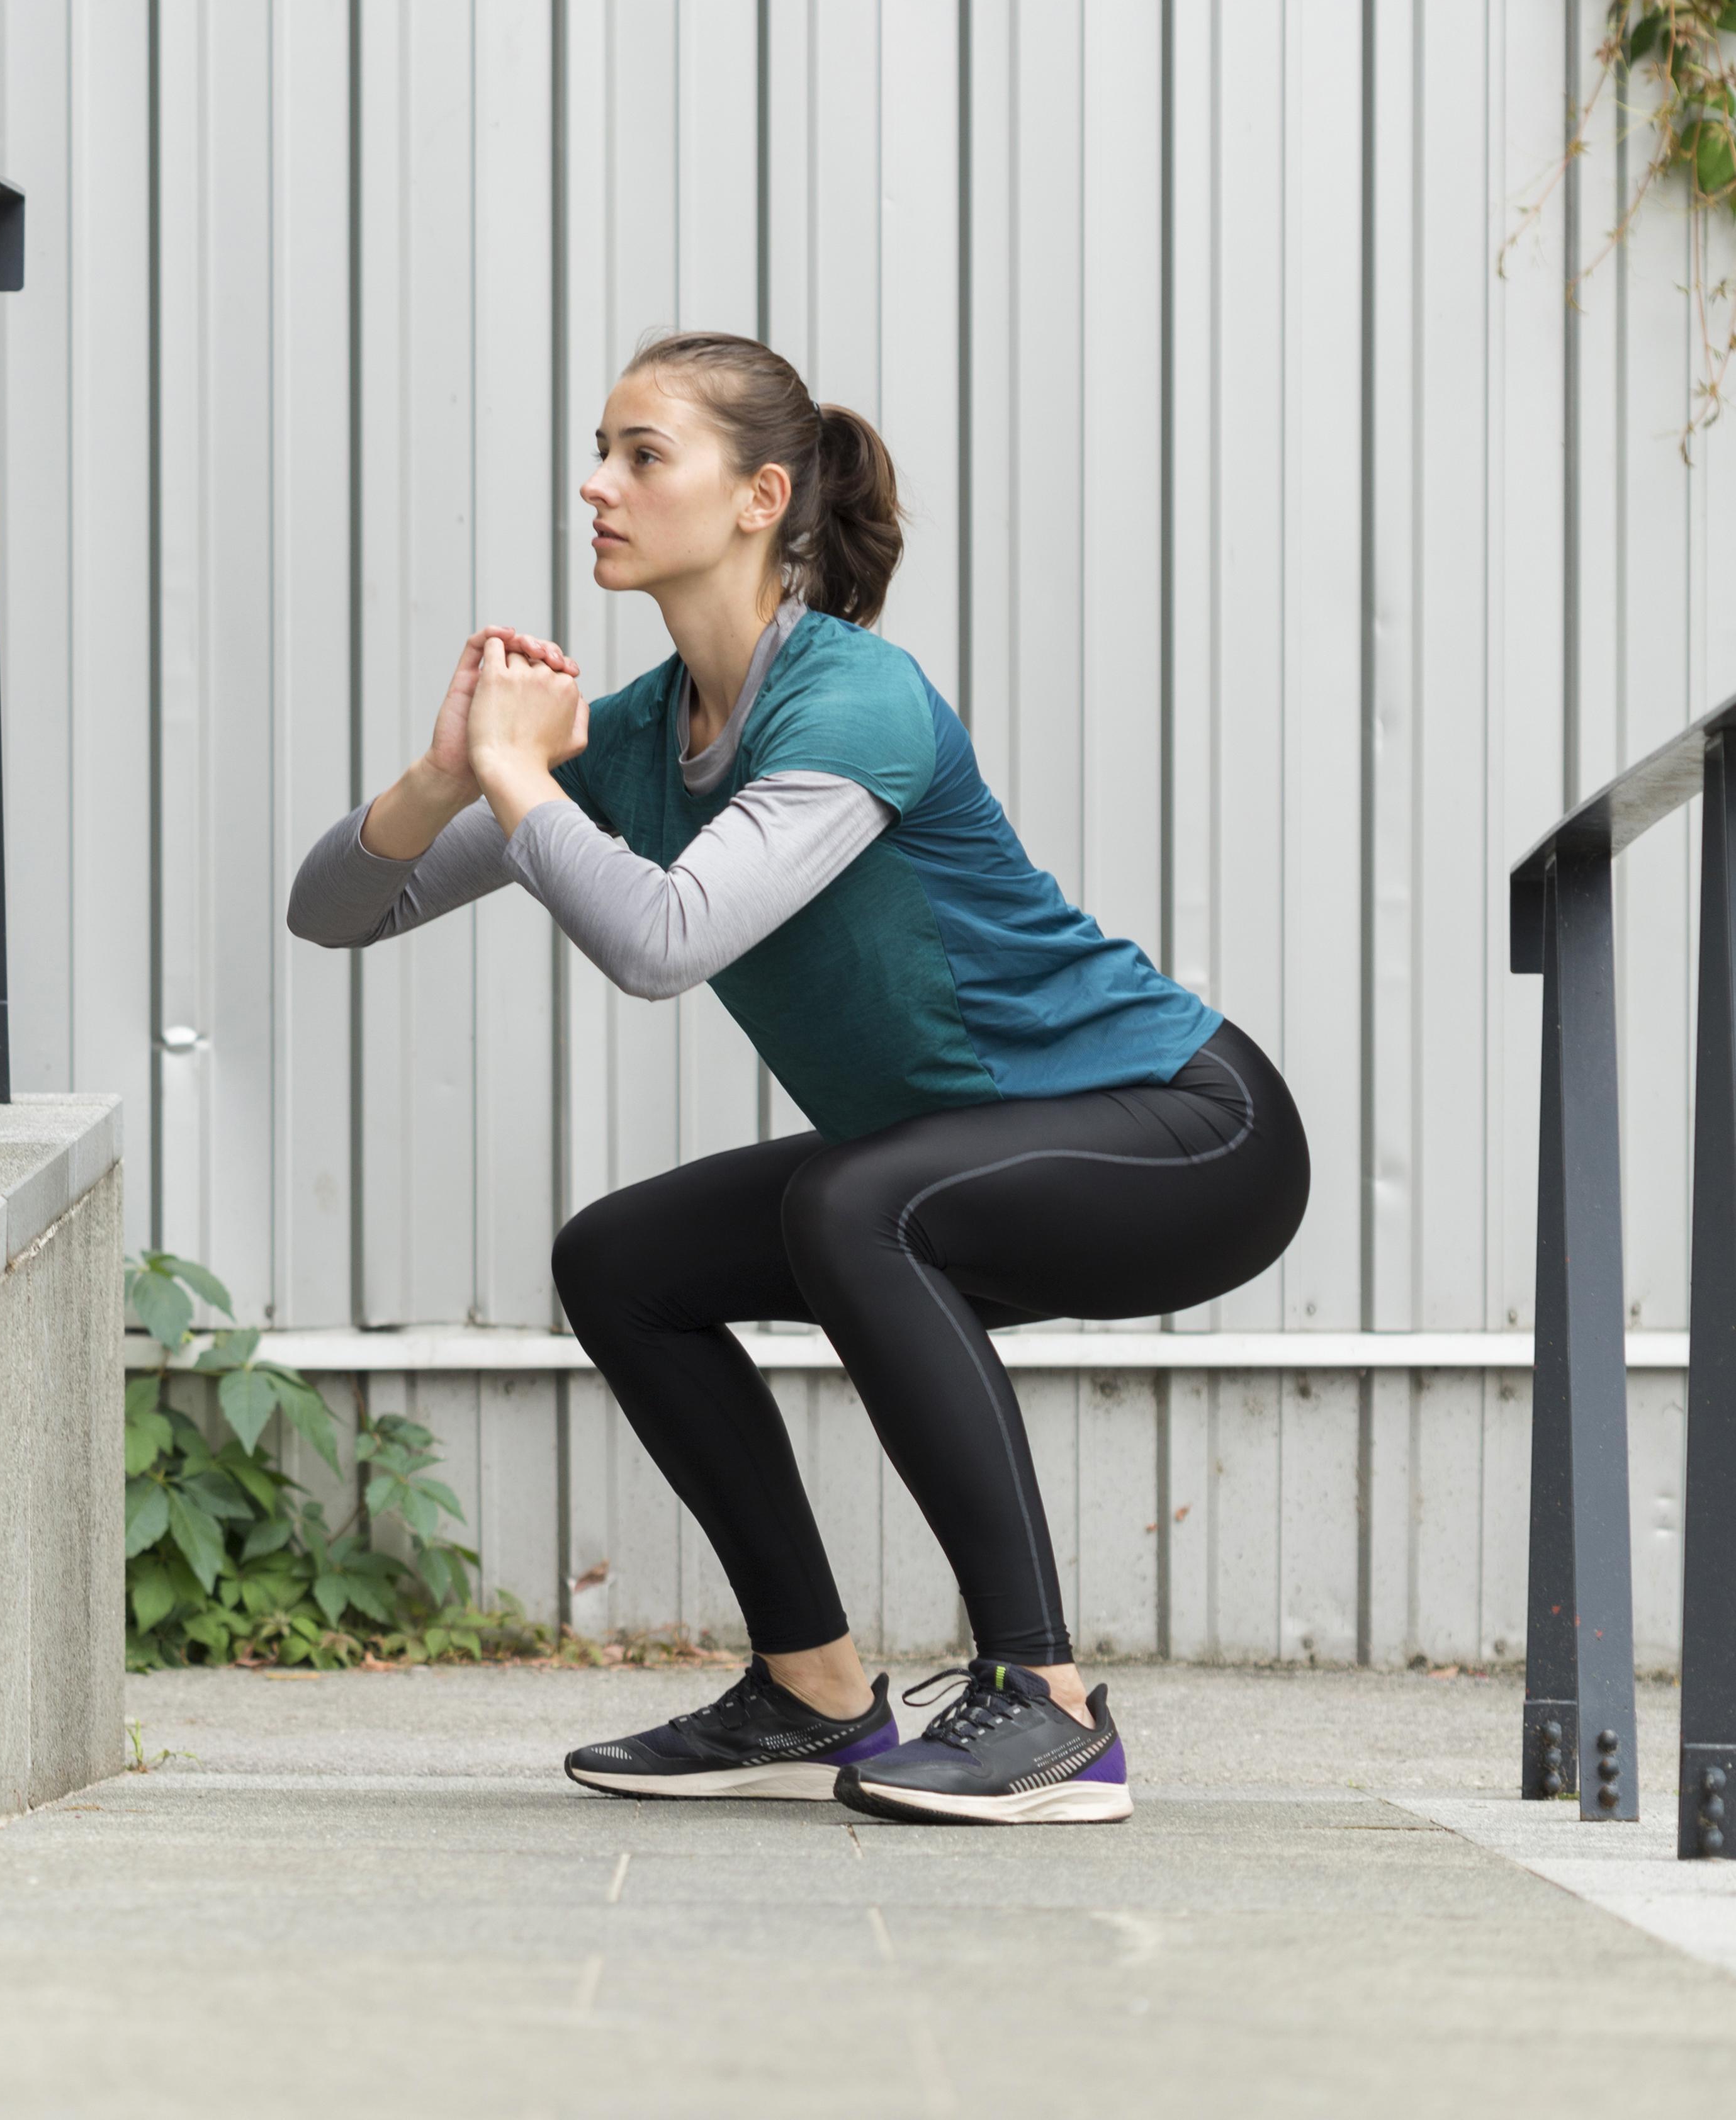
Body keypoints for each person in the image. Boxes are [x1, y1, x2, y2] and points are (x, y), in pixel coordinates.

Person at [288, 332, 1309, 1825]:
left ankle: (1052, 1708)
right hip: (962, 1152)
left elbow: (664, 938)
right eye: (602, 448)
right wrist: (450, 773)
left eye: (645, 454)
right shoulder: (634, 735)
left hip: (1193, 1131)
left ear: (761, 495)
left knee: (853, 1202)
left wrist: (519, 781)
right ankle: (814, 1683)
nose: (599, 483)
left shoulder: (855, 699)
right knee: (622, 1258)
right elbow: (338, 909)